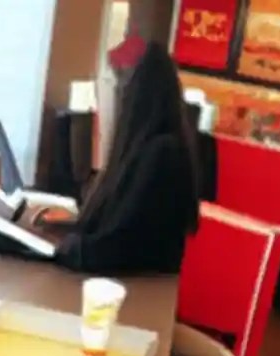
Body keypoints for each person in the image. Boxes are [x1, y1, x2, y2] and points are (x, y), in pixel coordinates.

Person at [42, 42, 200, 275]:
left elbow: (119, 247)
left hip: (138, 295)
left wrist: (61, 247)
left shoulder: (161, 154)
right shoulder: (160, 147)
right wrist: (73, 227)